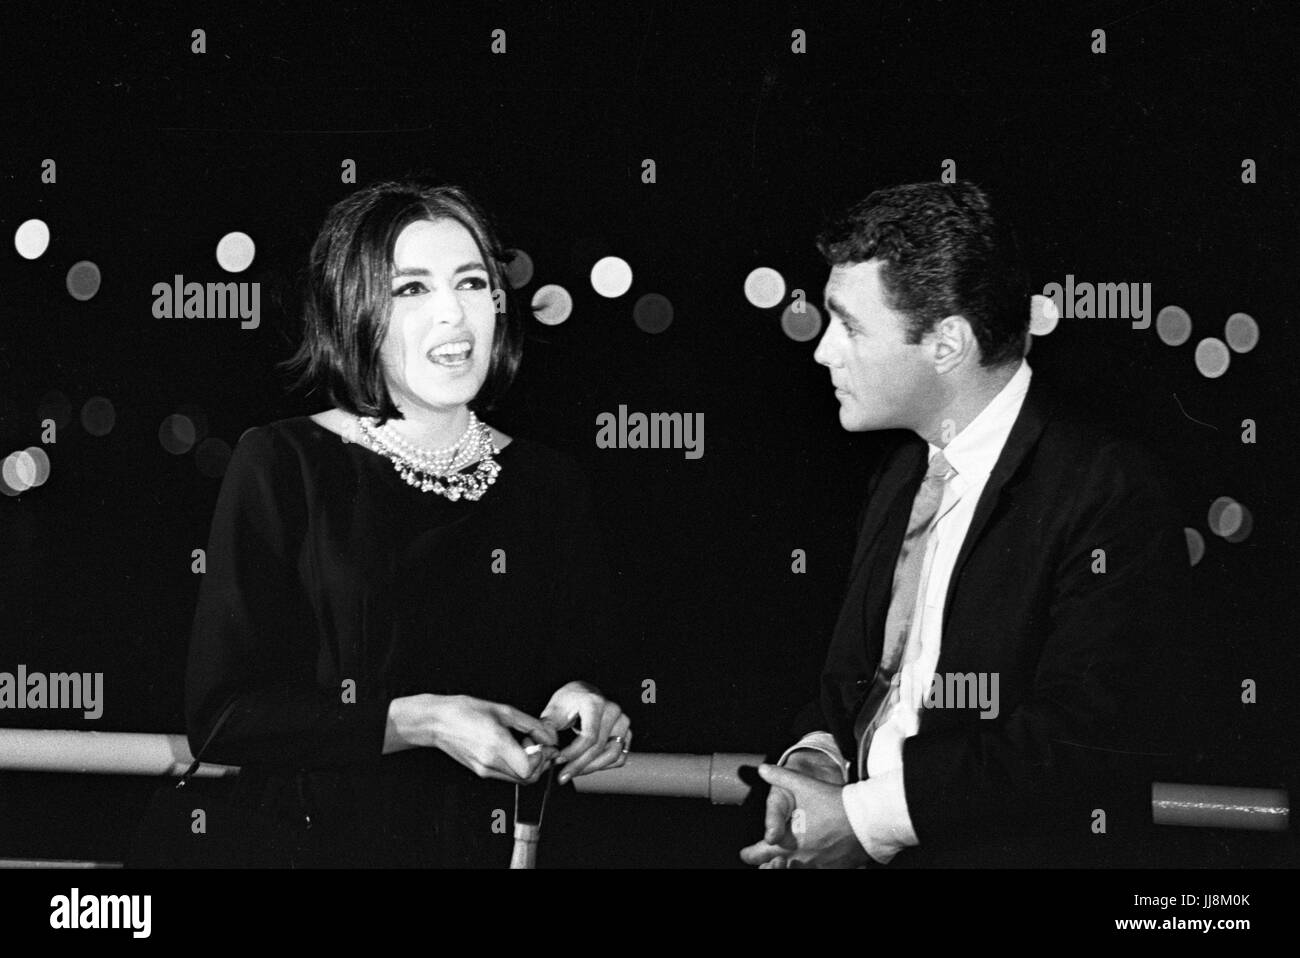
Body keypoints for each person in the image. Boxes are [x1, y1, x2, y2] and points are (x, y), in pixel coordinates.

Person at [740, 180, 1189, 869]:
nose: (823, 351)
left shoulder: (1106, 487)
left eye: (849, 325)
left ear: (947, 343)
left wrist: (864, 821)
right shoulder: (900, 475)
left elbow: (1080, 736)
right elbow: (852, 688)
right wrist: (817, 766)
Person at [185, 179, 630, 868]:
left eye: (473, 282)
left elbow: (585, 669)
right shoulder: (283, 463)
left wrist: (589, 705)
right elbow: (222, 718)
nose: (454, 315)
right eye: (412, 289)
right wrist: (419, 722)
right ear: (356, 311)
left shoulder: (549, 482)